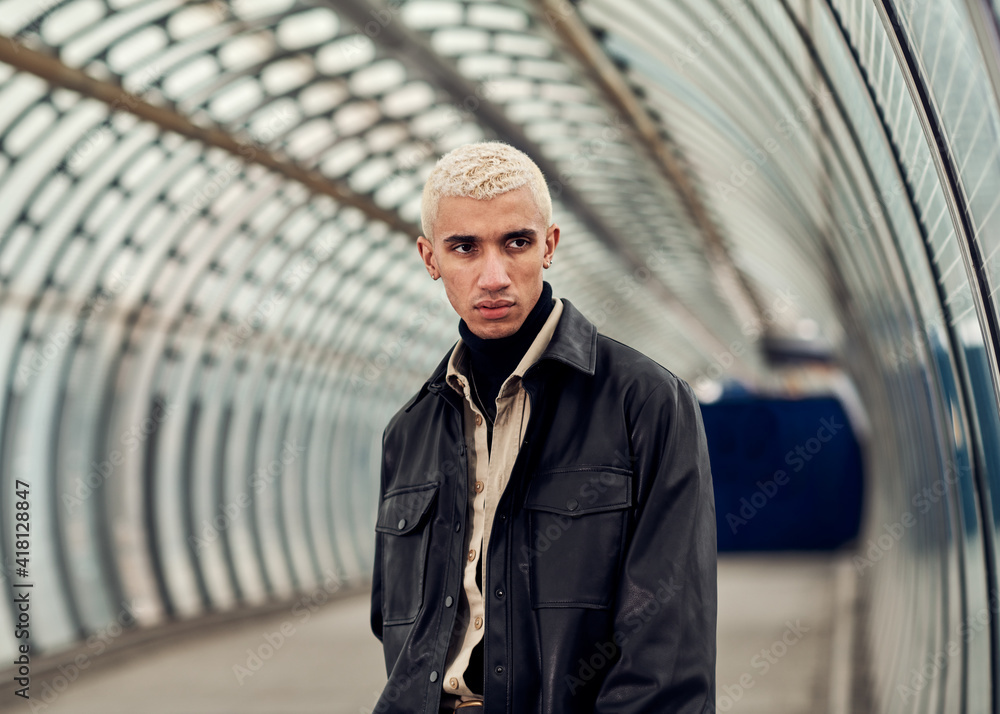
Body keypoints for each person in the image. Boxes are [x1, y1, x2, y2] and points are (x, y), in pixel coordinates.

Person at [369, 141, 716, 713]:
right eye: (464, 248)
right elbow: (396, 626)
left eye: (516, 242)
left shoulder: (646, 403)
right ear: (430, 259)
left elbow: (669, 647)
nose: (494, 275)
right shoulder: (409, 432)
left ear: (549, 246)